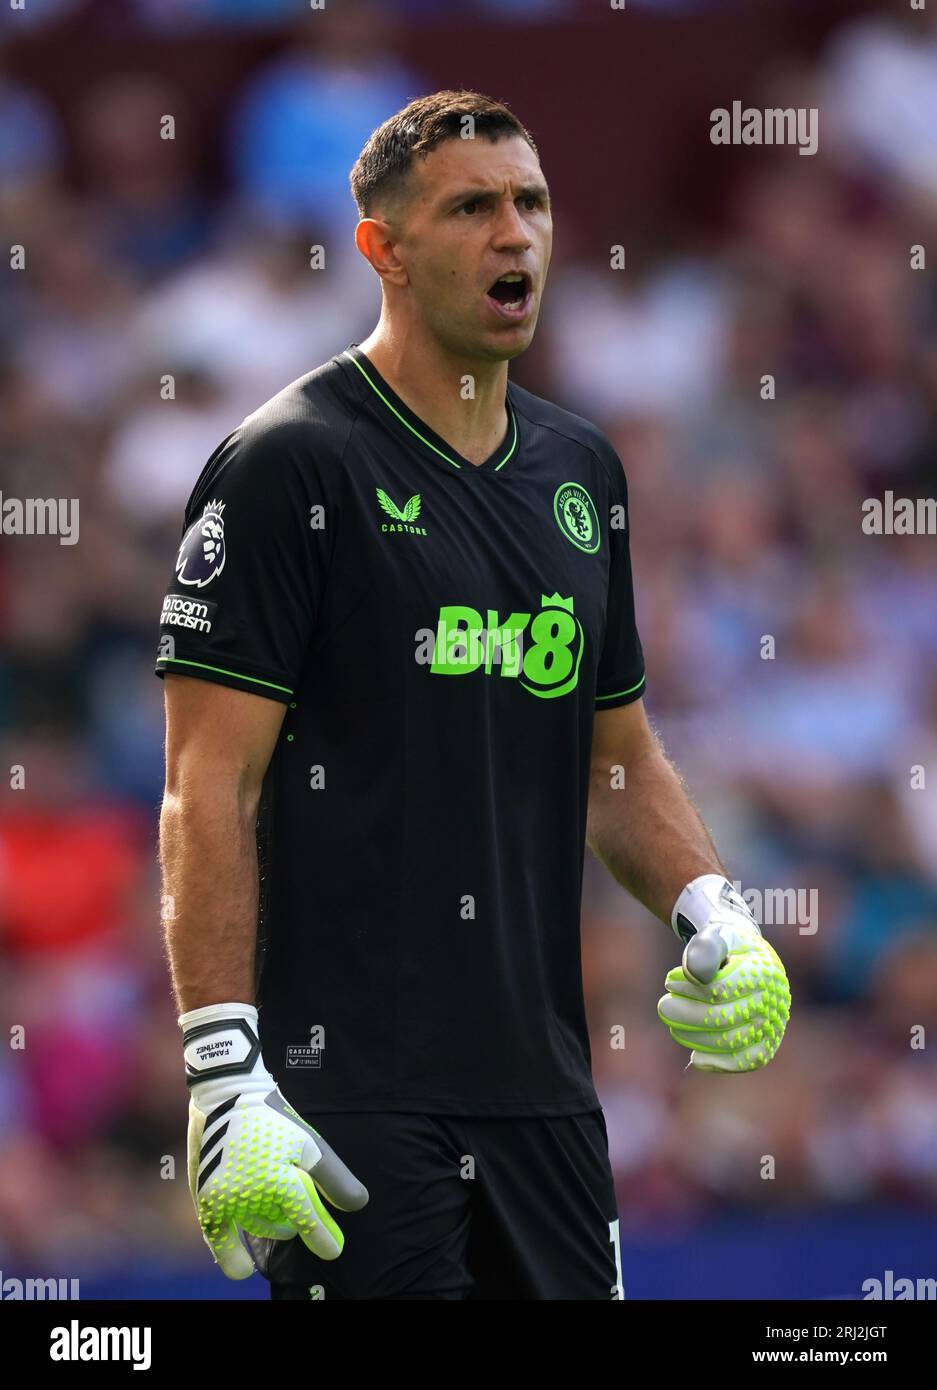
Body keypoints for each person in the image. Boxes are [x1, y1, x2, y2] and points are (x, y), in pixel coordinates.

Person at [156, 90, 791, 1301]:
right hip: (348, 1097)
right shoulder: (288, 463)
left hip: (545, 1096)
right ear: (381, 250)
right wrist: (224, 1068)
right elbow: (207, 784)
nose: (517, 235)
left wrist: (717, 910)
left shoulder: (580, 469)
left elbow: (617, 756)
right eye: (472, 208)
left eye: (532, 203)